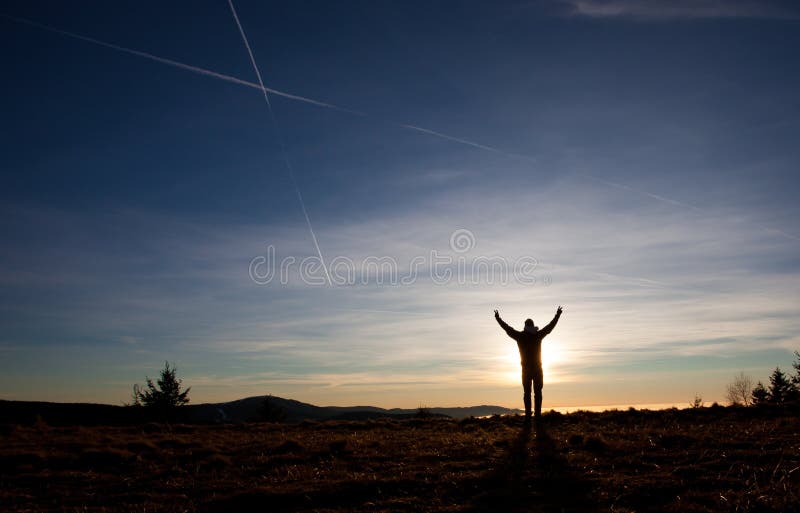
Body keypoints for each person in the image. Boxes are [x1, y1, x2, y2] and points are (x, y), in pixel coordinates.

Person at [494, 306, 563, 420]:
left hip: (525, 370)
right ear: (532, 325)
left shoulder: (520, 336)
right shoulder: (538, 335)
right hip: (537, 369)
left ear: (525, 326)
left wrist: (498, 318)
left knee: (527, 393)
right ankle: (537, 415)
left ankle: (527, 415)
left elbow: (507, 328)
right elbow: (550, 327)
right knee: (538, 393)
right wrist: (557, 315)